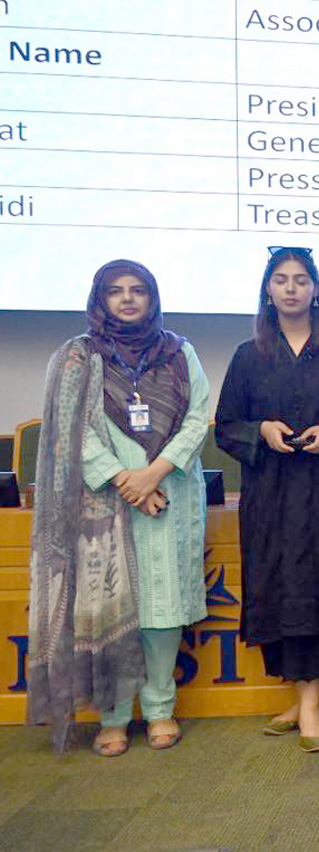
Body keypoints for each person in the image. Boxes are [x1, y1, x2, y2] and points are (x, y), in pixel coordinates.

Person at [27, 259, 209, 755]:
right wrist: (126, 479)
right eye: (115, 291)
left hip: (168, 493)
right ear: (100, 299)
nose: (127, 299)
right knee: (108, 607)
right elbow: (72, 430)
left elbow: (197, 419)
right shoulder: (77, 357)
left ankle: (160, 710)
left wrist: (153, 474)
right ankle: (113, 713)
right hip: (104, 503)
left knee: (162, 607)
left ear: (152, 298)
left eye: (137, 291)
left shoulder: (180, 352)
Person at [215, 247, 319, 753]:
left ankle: (310, 704)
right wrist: (260, 430)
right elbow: (225, 426)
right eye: (281, 280)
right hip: (272, 496)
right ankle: (298, 695)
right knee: (277, 590)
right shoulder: (248, 356)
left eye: (301, 279)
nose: (291, 288)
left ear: (315, 290)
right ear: (268, 290)